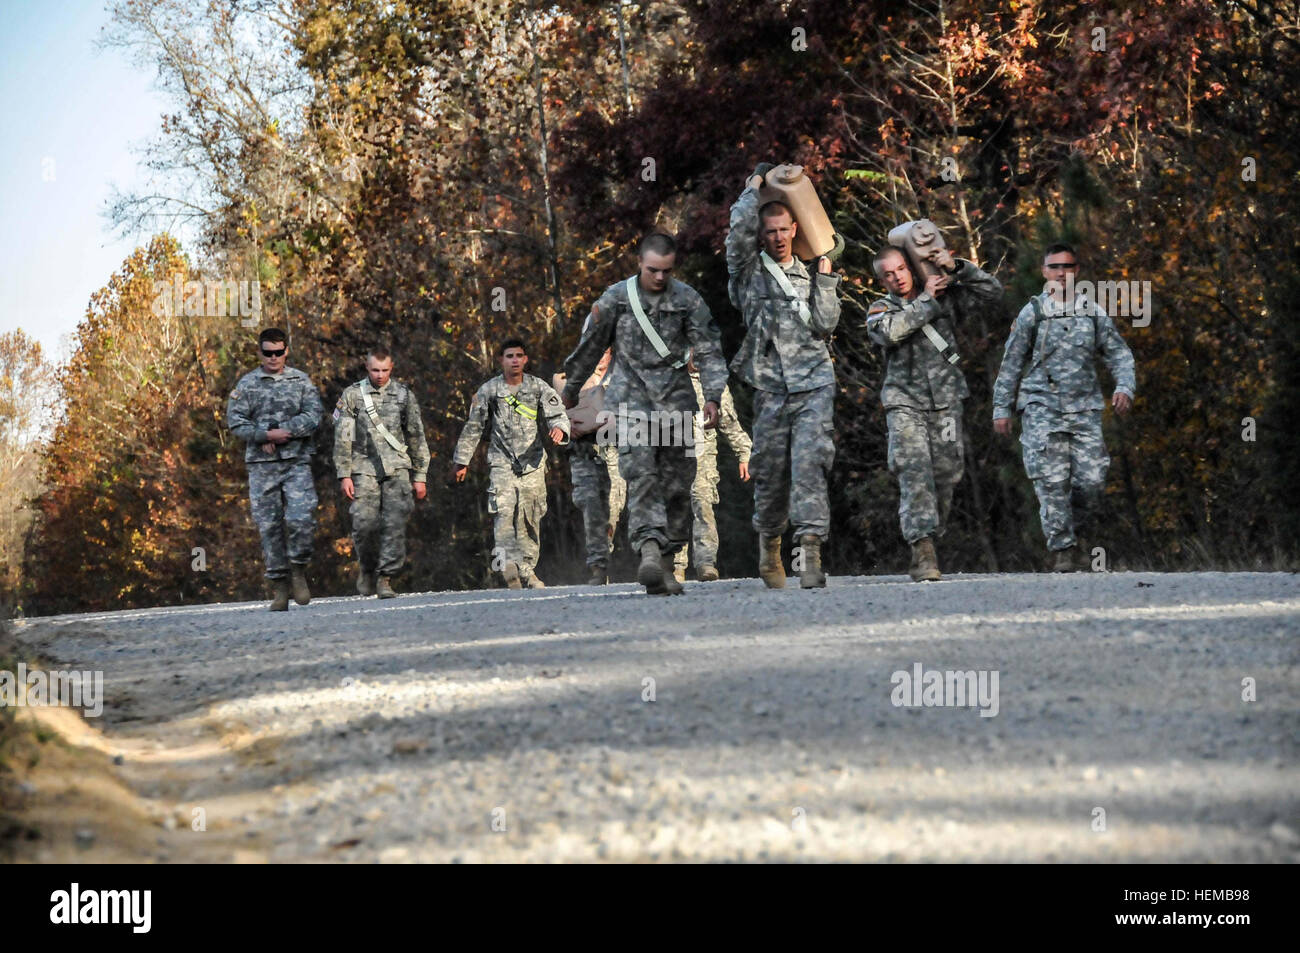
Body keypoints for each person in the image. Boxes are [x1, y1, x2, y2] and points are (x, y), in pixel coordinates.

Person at [562, 232, 728, 596]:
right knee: (641, 477)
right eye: (653, 270)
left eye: (666, 271)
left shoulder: (688, 300)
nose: (659, 278)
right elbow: (589, 347)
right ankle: (649, 549)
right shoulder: (616, 299)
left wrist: (713, 396)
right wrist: (570, 391)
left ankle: (668, 561)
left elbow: (709, 350)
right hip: (631, 404)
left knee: (678, 488)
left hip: (678, 405)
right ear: (640, 263)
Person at [726, 164, 842, 588]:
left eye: (783, 229)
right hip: (770, 386)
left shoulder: (813, 276)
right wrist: (752, 189)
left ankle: (809, 554)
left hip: (814, 381)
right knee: (771, 473)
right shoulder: (746, 274)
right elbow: (737, 231)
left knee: (811, 464)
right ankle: (770, 545)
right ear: (762, 233)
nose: (777, 237)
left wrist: (827, 281)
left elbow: (828, 324)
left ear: (795, 228)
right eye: (769, 230)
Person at [992, 243, 1137, 571]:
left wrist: (1125, 387)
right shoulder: (1033, 313)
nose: (1061, 273)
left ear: (1077, 272)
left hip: (1084, 408)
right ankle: (1063, 551)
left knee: (1092, 482)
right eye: (1054, 267)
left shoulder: (1092, 312)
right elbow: (1011, 363)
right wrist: (1001, 408)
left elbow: (1118, 353)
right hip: (1042, 407)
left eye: (1068, 267)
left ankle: (1077, 533)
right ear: (1044, 272)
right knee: (1051, 481)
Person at [866, 241, 1002, 581]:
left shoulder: (945, 295)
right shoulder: (880, 309)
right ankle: (922, 549)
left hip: (946, 400)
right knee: (914, 472)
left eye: (900, 269)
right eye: (888, 274)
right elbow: (891, 332)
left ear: (910, 267)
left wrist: (957, 268)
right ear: (881, 281)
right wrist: (926, 299)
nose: (896, 278)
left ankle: (930, 535)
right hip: (904, 403)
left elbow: (993, 294)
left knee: (946, 474)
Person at [453, 339, 570, 589]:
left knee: (530, 518)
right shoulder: (489, 390)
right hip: (502, 463)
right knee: (504, 513)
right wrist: (462, 460)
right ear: (501, 360)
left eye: (519, 355)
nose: (515, 360)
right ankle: (509, 566)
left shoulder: (538, 387)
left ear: (525, 360)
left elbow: (557, 413)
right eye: (509, 356)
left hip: (533, 464)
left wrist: (559, 429)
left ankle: (527, 571)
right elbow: (474, 427)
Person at [226, 328, 322, 610]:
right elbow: (235, 421)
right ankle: (280, 586)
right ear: (260, 353)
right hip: (262, 466)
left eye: (278, 352)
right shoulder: (247, 385)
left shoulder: (301, 381)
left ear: (286, 351)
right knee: (268, 526)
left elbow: (314, 415)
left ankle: (299, 569)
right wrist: (265, 435)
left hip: (296, 461)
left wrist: (285, 433)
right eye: (268, 352)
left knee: (301, 518)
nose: (273, 358)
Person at [332, 345, 431, 597]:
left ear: (391, 368)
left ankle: (385, 578)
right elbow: (343, 436)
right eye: (375, 370)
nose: (379, 375)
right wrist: (344, 473)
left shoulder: (403, 395)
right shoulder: (353, 395)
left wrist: (420, 476)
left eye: (384, 370)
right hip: (363, 467)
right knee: (363, 523)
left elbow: (417, 435)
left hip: (397, 466)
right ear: (367, 367)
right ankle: (366, 568)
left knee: (395, 523)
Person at [672, 359, 752, 582]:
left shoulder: (714, 386)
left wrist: (744, 454)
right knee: (675, 505)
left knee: (702, 503)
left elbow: (730, 422)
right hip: (673, 451)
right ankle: (676, 565)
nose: (697, 357)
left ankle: (706, 563)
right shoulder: (669, 379)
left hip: (703, 453)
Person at [555, 347, 626, 585]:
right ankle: (598, 567)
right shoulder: (571, 380)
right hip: (584, 453)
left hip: (615, 452)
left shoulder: (622, 376)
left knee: (612, 511)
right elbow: (554, 413)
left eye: (606, 352)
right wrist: (565, 426)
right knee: (591, 508)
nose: (601, 356)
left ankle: (605, 554)